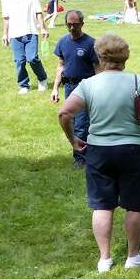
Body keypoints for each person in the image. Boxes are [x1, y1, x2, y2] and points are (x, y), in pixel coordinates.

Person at [57, 34, 140, 273]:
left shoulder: (88, 84)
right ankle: (133, 257)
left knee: (102, 206)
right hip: (132, 148)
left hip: (99, 151)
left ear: (100, 57)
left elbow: (64, 113)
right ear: (125, 57)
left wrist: (72, 139)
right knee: (134, 205)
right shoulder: (137, 81)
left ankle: (104, 259)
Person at [51, 10, 99, 169]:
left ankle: (80, 158)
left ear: (82, 24)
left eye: (75, 25)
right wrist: (55, 88)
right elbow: (60, 66)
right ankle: (85, 152)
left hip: (85, 86)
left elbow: (97, 69)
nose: (71, 28)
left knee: (81, 123)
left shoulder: (91, 43)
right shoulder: (63, 42)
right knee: (70, 120)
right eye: (68, 24)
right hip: (69, 86)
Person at [0, 0, 49, 94]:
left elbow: (38, 12)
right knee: (19, 61)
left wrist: (42, 28)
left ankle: (42, 79)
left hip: (31, 31)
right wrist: (5, 34)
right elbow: (6, 18)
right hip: (15, 35)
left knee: (32, 58)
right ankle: (23, 85)